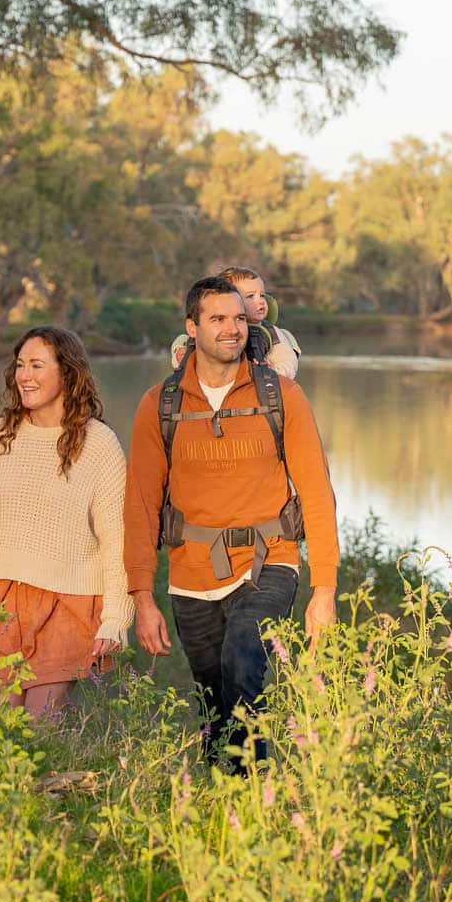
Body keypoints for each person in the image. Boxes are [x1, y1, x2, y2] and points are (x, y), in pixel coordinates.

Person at [126, 275, 339, 764]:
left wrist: (323, 590)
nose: (232, 328)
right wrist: (142, 597)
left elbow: (317, 494)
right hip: (190, 574)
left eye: (240, 318)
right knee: (212, 702)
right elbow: (138, 504)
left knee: (244, 661)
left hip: (270, 560)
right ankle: (224, 807)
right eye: (218, 318)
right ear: (192, 328)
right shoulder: (159, 404)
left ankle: (253, 796)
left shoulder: (281, 395)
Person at [0, 326, 131, 719]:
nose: (24, 376)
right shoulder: (0, 436)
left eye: (36, 365)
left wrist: (116, 620)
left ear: (67, 372)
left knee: (41, 722)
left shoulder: (98, 443)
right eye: (19, 365)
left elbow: (117, 542)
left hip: (69, 601)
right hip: (1, 601)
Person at [167, 265, 302, 379]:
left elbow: (289, 361)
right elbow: (185, 341)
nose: (260, 301)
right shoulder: (204, 330)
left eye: (262, 295)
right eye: (250, 296)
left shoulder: (273, 333)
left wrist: (276, 371)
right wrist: (179, 354)